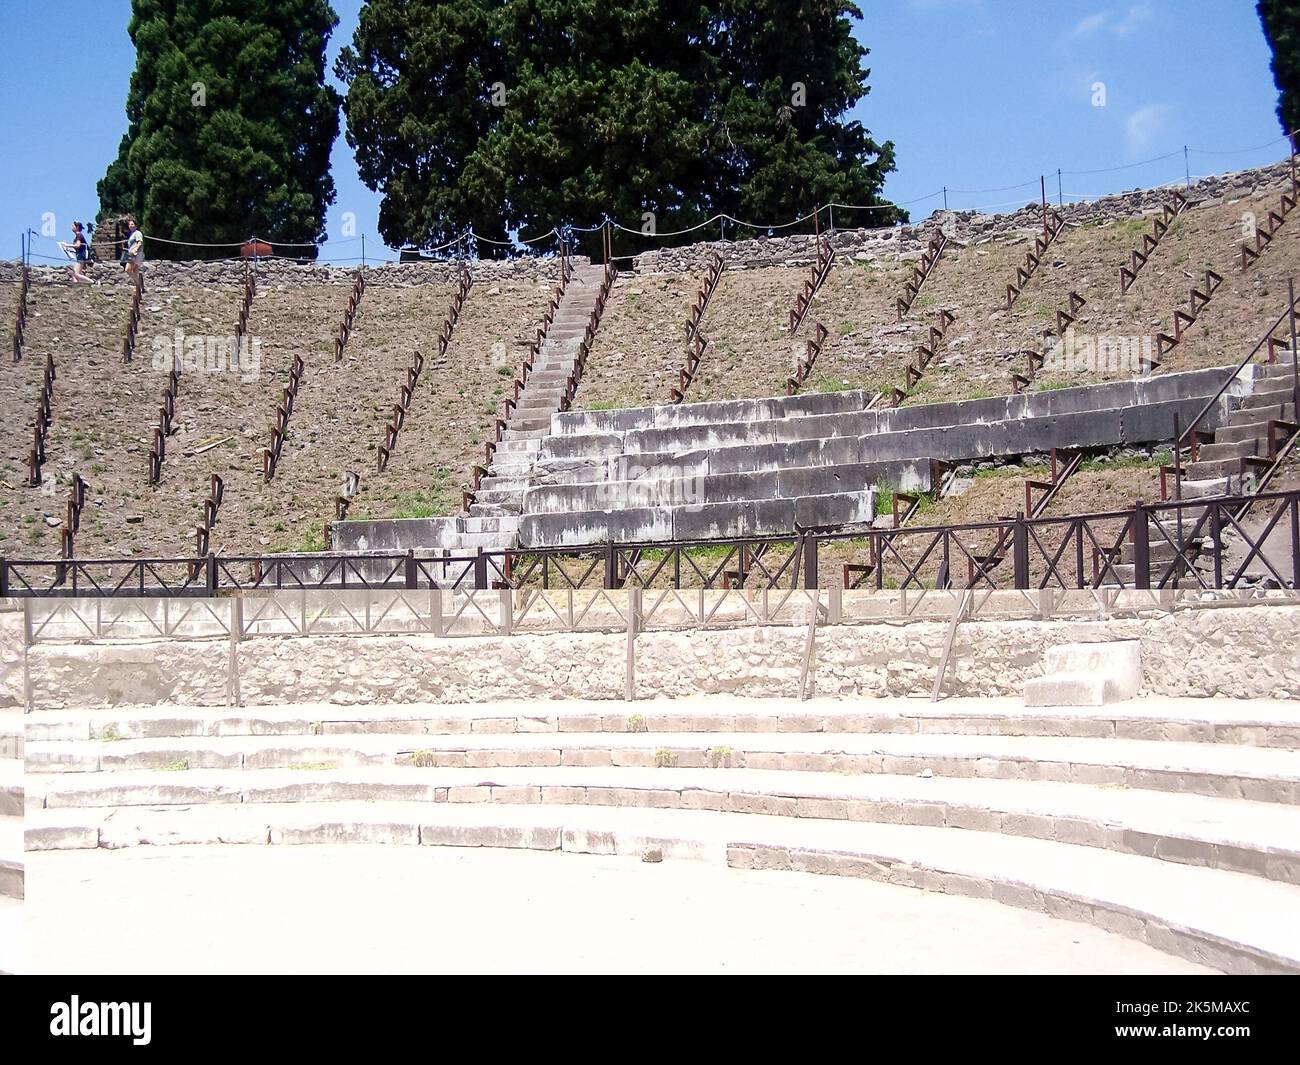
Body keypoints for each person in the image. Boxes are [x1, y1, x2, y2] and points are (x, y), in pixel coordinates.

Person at [123, 218, 144, 285]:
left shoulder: (137, 233)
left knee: (127, 269)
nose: (130, 226)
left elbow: (139, 242)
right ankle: (138, 291)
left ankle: (139, 283)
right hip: (132, 253)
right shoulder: (131, 234)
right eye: (129, 224)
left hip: (135, 254)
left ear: (135, 225)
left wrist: (135, 249)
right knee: (135, 271)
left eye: (132, 224)